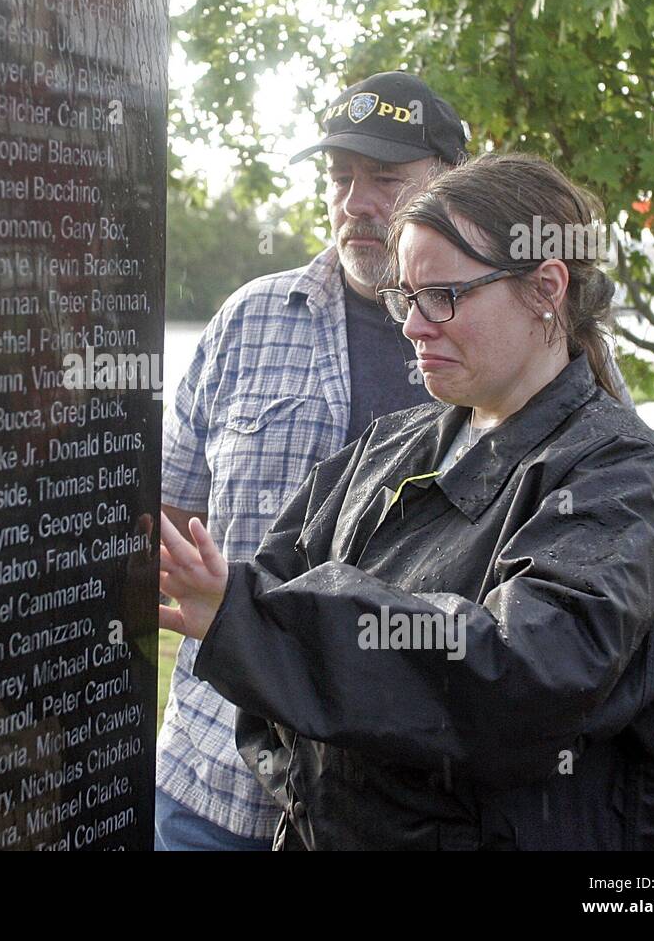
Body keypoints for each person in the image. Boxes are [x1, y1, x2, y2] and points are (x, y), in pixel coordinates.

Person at [158, 152, 654, 850]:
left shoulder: (621, 479)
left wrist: (255, 623)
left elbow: (522, 675)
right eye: (406, 297)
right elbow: (269, 622)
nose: (414, 327)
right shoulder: (389, 447)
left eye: (444, 296)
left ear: (545, 288)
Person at [155, 72, 471, 849]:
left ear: (453, 184)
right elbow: (172, 504)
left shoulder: (514, 332)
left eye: (386, 179)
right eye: (340, 178)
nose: (356, 202)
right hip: (210, 782)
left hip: (407, 808)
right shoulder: (248, 318)